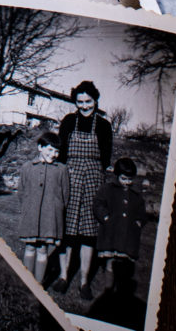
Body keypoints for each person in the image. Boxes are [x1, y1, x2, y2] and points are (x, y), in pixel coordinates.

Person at [52, 81, 113, 297]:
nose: (85, 106)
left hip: (93, 180)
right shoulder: (69, 121)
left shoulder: (104, 126)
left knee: (88, 233)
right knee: (67, 231)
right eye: (80, 102)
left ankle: (85, 281)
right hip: (70, 177)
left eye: (88, 101)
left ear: (95, 100)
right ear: (75, 102)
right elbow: (60, 153)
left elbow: (106, 158)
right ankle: (63, 276)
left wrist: (96, 176)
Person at [15, 130, 69, 283]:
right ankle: (27, 282)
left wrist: (55, 210)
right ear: (40, 147)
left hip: (50, 217)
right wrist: (28, 208)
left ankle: (37, 285)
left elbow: (65, 196)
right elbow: (22, 192)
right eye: (50, 150)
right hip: (31, 215)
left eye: (57, 151)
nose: (54, 154)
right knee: (30, 247)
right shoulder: (27, 167)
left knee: (42, 249)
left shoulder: (61, 170)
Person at [92, 157, 146, 296]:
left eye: (130, 179)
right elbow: (98, 204)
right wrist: (105, 217)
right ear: (116, 175)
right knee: (110, 262)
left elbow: (141, 212)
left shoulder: (136, 195)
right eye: (124, 179)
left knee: (124, 264)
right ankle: (108, 290)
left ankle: (120, 292)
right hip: (111, 232)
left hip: (128, 235)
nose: (127, 182)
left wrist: (139, 222)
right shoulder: (107, 189)